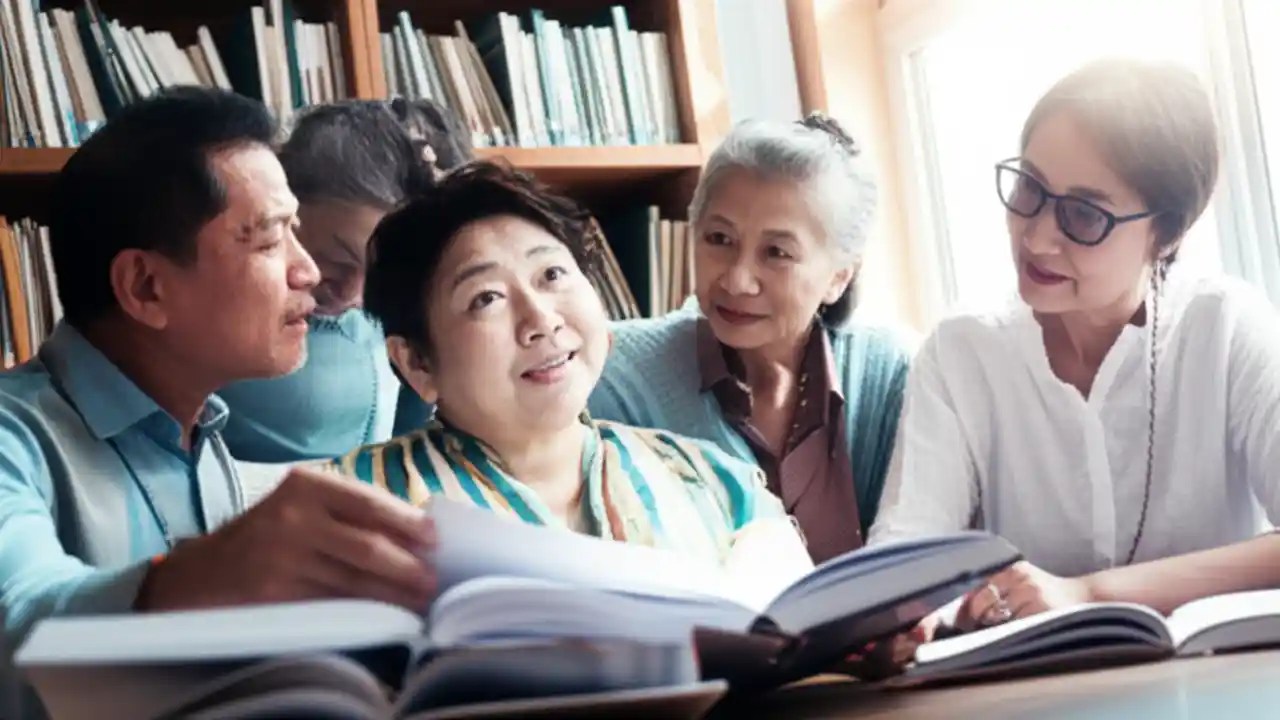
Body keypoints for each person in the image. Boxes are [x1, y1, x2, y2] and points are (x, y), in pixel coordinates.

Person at [0, 88, 436, 720]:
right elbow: (17, 627)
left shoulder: (205, 442)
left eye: (296, 232)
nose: (309, 270)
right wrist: (202, 576)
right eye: (266, 241)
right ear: (147, 286)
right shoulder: (14, 437)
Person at [869, 58, 1280, 630]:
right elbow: (904, 555)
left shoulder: (1225, 326)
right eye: (1028, 189)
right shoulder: (961, 354)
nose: (1036, 236)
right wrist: (901, 616)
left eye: (1083, 216)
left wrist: (1090, 593)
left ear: (1166, 233)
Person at [327, 161, 810, 569]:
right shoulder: (344, 510)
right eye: (487, 298)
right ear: (416, 363)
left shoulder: (721, 487)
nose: (541, 318)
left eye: (553, 274)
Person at [587, 114, 912, 564]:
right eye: (719, 239)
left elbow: (916, 547)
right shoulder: (613, 371)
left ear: (838, 276)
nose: (737, 280)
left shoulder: (887, 368)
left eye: (776, 252)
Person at [217, 99, 474, 462]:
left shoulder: (395, 317)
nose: (353, 294)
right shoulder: (220, 316)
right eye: (335, 262)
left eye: (379, 274)